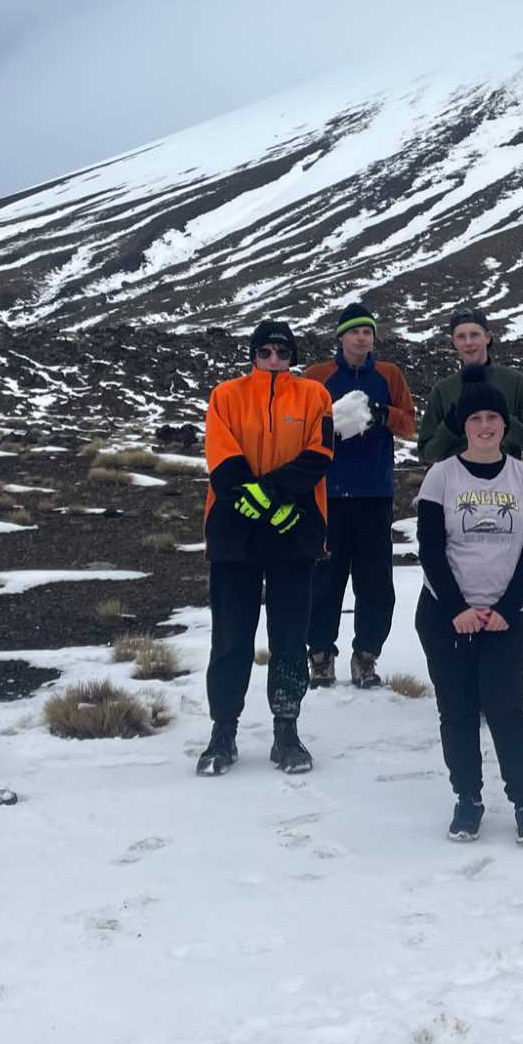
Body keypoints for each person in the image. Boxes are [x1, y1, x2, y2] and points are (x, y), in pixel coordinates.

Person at [414, 364, 523, 845]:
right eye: (475, 419)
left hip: (508, 617)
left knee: (506, 707)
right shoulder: (441, 477)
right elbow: (430, 547)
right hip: (446, 613)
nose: (485, 426)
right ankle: (467, 798)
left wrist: (506, 610)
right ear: (463, 426)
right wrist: (457, 608)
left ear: (506, 426)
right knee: (456, 710)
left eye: (494, 418)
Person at [197, 320, 334, 777]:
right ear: (253, 354)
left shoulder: (315, 396)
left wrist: (274, 498)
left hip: (295, 530)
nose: (274, 359)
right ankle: (223, 731)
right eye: (266, 351)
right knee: (231, 635)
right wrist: (257, 504)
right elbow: (222, 457)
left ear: (293, 355)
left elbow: (320, 453)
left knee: (290, 635)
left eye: (282, 352)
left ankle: (286, 730)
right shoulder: (226, 395)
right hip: (235, 532)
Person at [302, 301, 418, 689]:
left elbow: (409, 423)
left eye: (367, 331)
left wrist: (385, 415)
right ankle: (320, 656)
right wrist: (327, 428)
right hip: (327, 493)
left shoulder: (389, 374)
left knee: (374, 580)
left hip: (374, 492)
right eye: (354, 331)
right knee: (324, 577)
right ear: (341, 337)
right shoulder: (318, 376)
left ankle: (366, 657)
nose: (362, 337)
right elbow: (300, 424)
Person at [416, 308, 523, 465]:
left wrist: (507, 423)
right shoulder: (443, 390)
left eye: (474, 335)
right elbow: (426, 454)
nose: (468, 343)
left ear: (487, 337)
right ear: (453, 342)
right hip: (456, 483)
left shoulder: (514, 382)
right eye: (461, 336)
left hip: (505, 482)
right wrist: (449, 428)